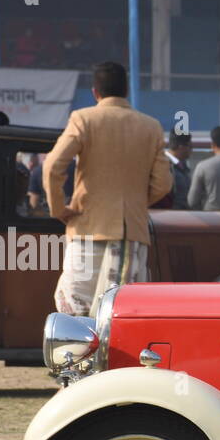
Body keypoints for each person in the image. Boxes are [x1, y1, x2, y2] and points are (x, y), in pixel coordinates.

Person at [43, 60, 171, 316]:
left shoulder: (84, 119)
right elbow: (163, 183)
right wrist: (135, 203)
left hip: (87, 229)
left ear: (95, 92)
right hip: (131, 234)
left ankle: (79, 356)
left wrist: (60, 209)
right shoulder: (151, 126)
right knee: (121, 312)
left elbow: (52, 166)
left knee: (75, 308)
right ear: (126, 90)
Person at [157, 131, 192, 209]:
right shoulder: (163, 165)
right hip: (169, 215)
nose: (191, 150)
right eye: (190, 146)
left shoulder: (182, 166)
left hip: (182, 215)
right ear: (181, 147)